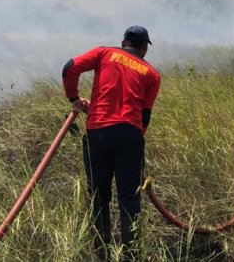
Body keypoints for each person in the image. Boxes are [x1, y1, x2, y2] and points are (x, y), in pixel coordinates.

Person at [62, 26, 161, 260]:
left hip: (98, 133)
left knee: (98, 194)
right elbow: (145, 115)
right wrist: (135, 137)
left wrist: (74, 98)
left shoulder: (104, 53)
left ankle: (101, 252)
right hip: (130, 135)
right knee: (130, 197)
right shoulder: (152, 73)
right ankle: (131, 255)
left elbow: (69, 68)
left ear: (123, 41)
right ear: (145, 47)